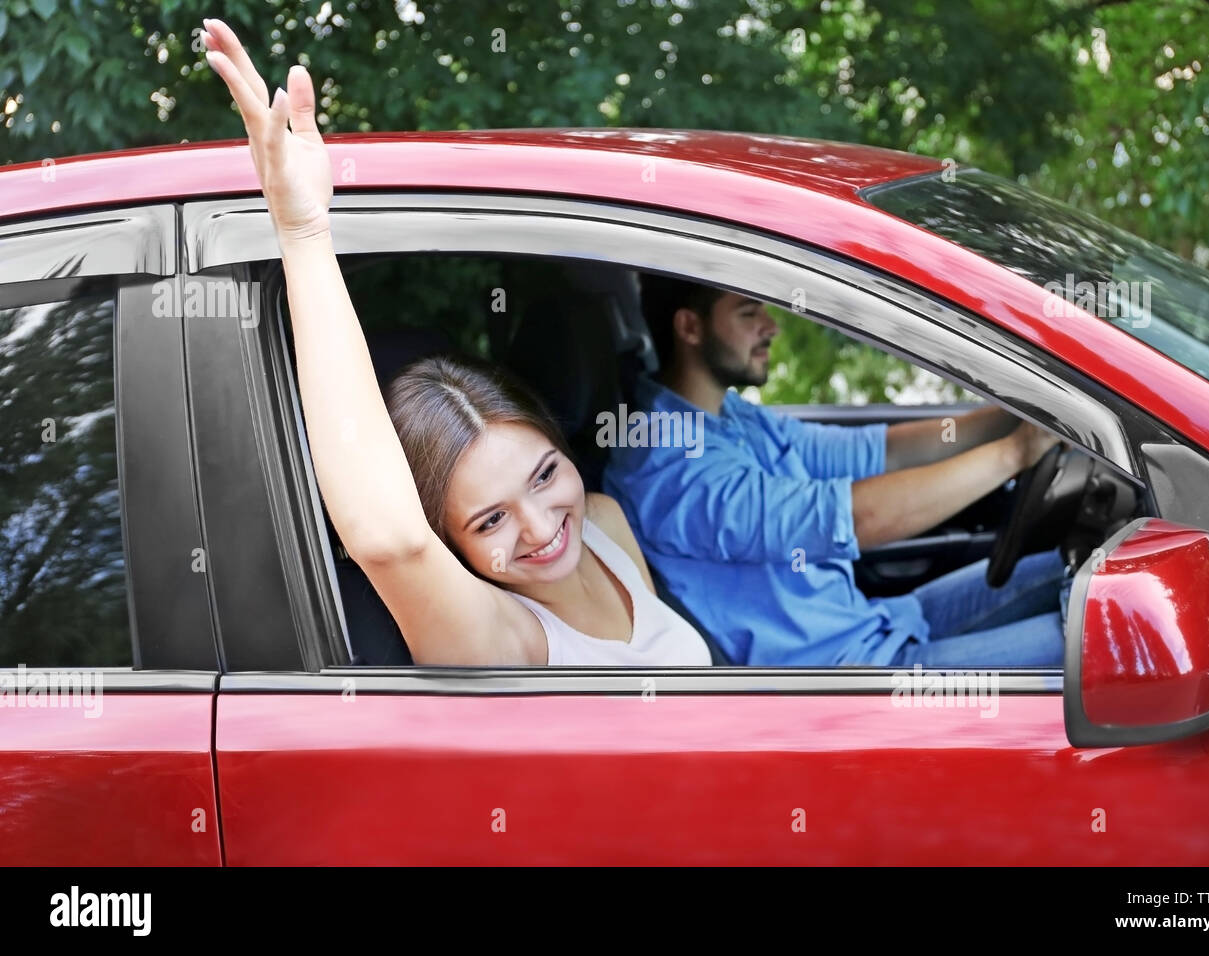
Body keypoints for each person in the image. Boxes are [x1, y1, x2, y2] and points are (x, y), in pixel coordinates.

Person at [200, 19, 710, 667]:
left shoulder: (603, 523)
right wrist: (303, 235)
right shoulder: (504, 639)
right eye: (489, 521)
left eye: (545, 473)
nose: (540, 526)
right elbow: (389, 542)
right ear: (451, 543)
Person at [603, 275, 1071, 668]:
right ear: (690, 327)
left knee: (1078, 569)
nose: (771, 327)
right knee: (1098, 642)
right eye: (749, 313)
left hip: (877, 623)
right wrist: (1012, 454)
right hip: (851, 677)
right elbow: (852, 518)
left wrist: (1010, 417)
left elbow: (874, 452)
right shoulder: (665, 465)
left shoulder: (727, 416)